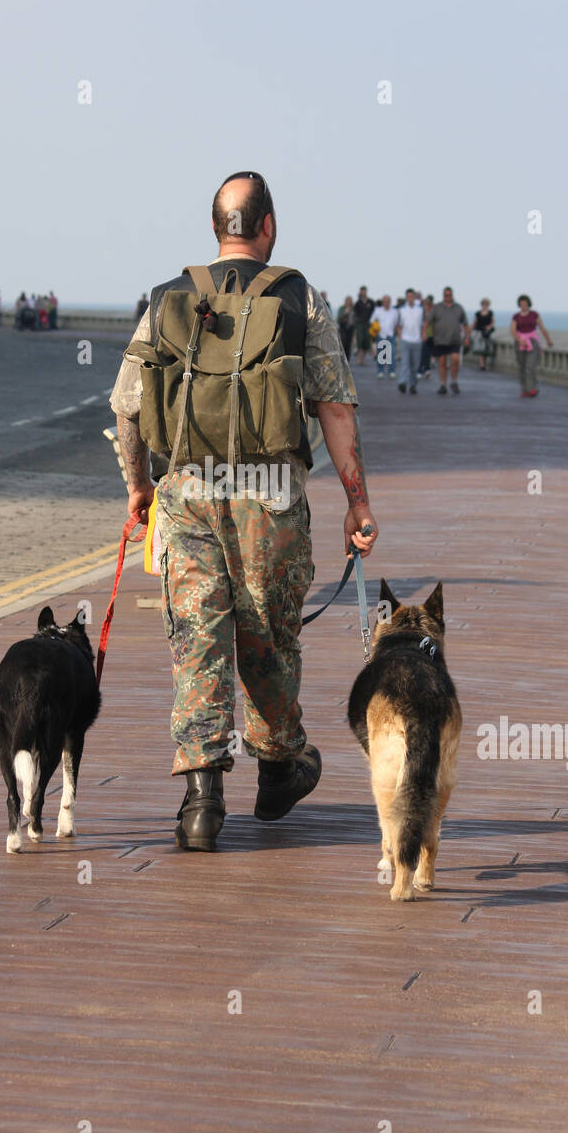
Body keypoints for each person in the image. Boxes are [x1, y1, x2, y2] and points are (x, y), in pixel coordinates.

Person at [110, 170, 378, 852]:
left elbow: (128, 403)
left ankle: (201, 802)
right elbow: (334, 407)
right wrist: (357, 503)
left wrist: (140, 487)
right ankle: (280, 768)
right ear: (268, 228)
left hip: (186, 491)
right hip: (271, 494)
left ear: (214, 229)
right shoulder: (298, 297)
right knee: (267, 633)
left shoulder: (170, 296)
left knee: (197, 638)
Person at [510, 295, 553, 396]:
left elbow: (542, 328)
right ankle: (524, 389)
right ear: (519, 305)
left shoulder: (534, 314)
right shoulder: (516, 316)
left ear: (528, 304)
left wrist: (548, 340)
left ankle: (532, 388)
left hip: (532, 342)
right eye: (521, 304)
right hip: (520, 343)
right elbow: (513, 330)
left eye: (525, 304)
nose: (523, 306)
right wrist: (520, 340)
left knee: (530, 366)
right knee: (522, 367)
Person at [432, 286, 470, 395]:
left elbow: (465, 324)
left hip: (455, 340)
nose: (447, 297)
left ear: (452, 295)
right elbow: (428, 322)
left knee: (455, 360)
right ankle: (443, 384)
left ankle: (454, 381)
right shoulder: (437, 308)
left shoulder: (459, 308)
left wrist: (467, 337)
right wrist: (425, 334)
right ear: (443, 296)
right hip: (440, 340)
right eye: (446, 295)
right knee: (442, 362)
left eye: (449, 295)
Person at [396, 289, 425, 394]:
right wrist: (401, 337)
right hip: (405, 340)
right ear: (406, 297)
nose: (410, 298)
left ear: (414, 297)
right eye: (408, 296)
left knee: (415, 366)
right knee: (405, 363)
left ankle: (413, 385)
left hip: (417, 341)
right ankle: (402, 383)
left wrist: (423, 335)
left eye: (412, 296)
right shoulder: (402, 310)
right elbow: (398, 325)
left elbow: (423, 324)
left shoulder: (420, 310)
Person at [375, 295, 398, 378]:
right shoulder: (378, 311)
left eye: (388, 301)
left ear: (390, 302)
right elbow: (372, 321)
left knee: (391, 354)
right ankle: (380, 371)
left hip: (391, 334)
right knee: (381, 354)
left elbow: (396, 323)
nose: (386, 303)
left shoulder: (394, 311)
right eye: (385, 301)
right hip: (381, 334)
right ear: (382, 302)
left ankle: (391, 371)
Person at [353, 286, 375, 365]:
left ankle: (363, 358)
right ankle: (359, 358)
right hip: (360, 324)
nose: (363, 293)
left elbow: (374, 313)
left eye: (364, 291)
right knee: (360, 340)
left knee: (366, 341)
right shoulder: (357, 303)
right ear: (360, 292)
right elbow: (355, 314)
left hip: (368, 324)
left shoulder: (371, 302)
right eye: (362, 291)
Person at [473, 298, 496, 370]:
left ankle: (484, 364)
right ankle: (482, 364)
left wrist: (489, 327)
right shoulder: (478, 313)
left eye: (486, 304)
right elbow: (475, 322)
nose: (485, 306)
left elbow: (493, 322)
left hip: (487, 332)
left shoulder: (490, 313)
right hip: (480, 332)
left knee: (486, 348)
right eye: (484, 304)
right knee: (481, 348)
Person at [419, 295, 435, 378]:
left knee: (427, 353)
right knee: (423, 353)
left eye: (427, 304)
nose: (425, 306)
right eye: (424, 304)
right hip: (422, 335)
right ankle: (424, 369)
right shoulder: (420, 313)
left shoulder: (432, 313)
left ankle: (425, 369)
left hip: (431, 335)